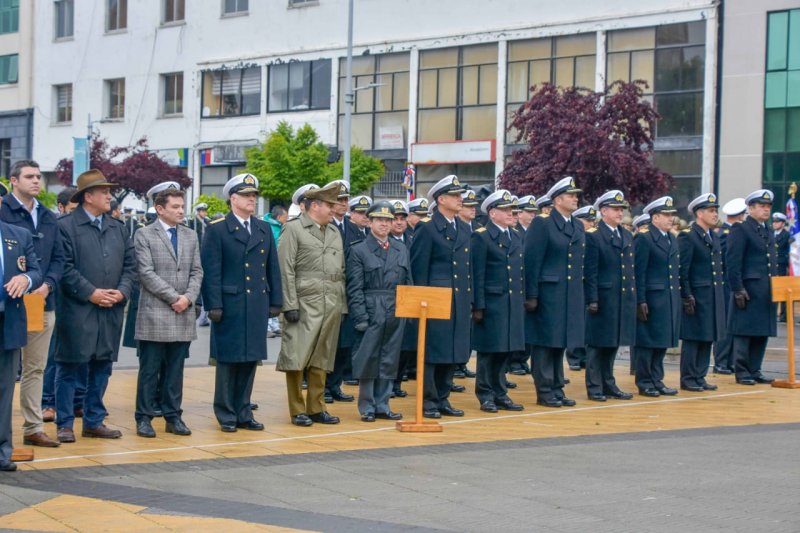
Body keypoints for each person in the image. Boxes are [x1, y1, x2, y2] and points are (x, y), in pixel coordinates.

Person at [55, 170, 136, 443]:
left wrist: (122, 292)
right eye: (104, 192)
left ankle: (93, 420)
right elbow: (63, 268)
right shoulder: (66, 226)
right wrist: (90, 293)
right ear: (88, 197)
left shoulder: (118, 228)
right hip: (78, 310)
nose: (109, 196)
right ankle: (64, 423)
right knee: (70, 367)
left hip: (110, 310)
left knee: (102, 367)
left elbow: (130, 266)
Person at [201, 173, 282, 432]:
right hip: (230, 303)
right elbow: (211, 269)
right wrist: (213, 303)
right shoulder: (218, 229)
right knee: (228, 361)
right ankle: (226, 413)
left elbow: (273, 267)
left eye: (254, 195)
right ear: (232, 199)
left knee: (250, 359)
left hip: (257, 301)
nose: (252, 200)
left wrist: (276, 300)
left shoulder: (263, 228)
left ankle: (244, 411)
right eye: (247, 196)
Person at [0, 161, 63, 448]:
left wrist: (47, 284)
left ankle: (33, 426)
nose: (36, 181)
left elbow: (60, 258)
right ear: (14, 180)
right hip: (8, 302)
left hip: (39, 300)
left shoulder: (48, 217)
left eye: (39, 176)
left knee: (35, 366)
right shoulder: (3, 210)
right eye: (29, 176)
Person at [133, 182, 203, 438]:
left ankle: (173, 416)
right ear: (159, 209)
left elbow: (197, 270)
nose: (181, 211)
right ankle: (144, 417)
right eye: (175, 207)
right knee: (150, 370)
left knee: (176, 370)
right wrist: (175, 297)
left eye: (182, 206)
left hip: (182, 311)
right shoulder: (144, 235)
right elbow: (146, 273)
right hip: (156, 312)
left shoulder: (190, 234)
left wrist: (188, 298)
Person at [276, 182, 346, 426]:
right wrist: (289, 305)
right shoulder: (293, 230)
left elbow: (341, 272)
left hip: (330, 304)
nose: (334, 209)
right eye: (329, 205)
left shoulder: (334, 232)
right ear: (314, 206)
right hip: (304, 304)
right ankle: (297, 409)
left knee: (322, 358)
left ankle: (317, 407)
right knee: (297, 357)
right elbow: (284, 270)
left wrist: (342, 305)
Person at [410, 175, 471, 419]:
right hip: (434, 298)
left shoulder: (464, 228)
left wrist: (471, 300)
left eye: (460, 195)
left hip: (459, 299)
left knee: (453, 351)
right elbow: (418, 267)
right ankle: (429, 401)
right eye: (455, 196)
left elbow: (468, 268)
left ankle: (443, 397)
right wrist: (419, 301)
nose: (460, 199)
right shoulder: (427, 227)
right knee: (433, 352)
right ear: (441, 199)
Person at [347, 201, 411, 422]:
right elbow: (354, 287)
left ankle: (383, 404)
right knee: (369, 358)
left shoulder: (400, 248)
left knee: (389, 358)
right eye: (379, 220)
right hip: (372, 308)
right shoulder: (359, 249)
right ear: (370, 222)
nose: (384, 224)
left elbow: (408, 282)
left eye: (388, 220)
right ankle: (367, 406)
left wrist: (408, 311)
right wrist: (361, 317)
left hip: (395, 309)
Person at [524, 177, 585, 407]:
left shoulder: (577, 225)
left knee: (560, 342)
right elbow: (532, 261)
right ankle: (545, 389)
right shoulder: (543, 224)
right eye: (571, 195)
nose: (575, 199)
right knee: (544, 343)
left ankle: (558, 387)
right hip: (548, 293)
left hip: (569, 293)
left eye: (576, 195)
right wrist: (531, 295)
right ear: (558, 200)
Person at [0, 180, 43, 471]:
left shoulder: (17, 235)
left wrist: (25, 279)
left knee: (4, 390)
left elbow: (37, 270)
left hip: (8, 322)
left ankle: (3, 449)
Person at [471, 190, 525, 413]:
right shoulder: (482, 236)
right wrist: (479, 305)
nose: (510, 213)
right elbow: (477, 273)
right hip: (492, 302)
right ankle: (485, 394)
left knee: (505, 350)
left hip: (511, 302)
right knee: (489, 351)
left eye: (511, 209)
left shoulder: (516, 235)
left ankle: (500, 392)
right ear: (492, 213)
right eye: (504, 209)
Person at [583, 190, 635, 402]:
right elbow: (591, 271)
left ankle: (608, 383)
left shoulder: (626, 234)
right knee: (597, 345)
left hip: (620, 297)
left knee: (612, 343)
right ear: (603, 211)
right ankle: (595, 386)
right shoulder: (594, 236)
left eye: (621, 209)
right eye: (615, 209)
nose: (619, 212)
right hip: (603, 297)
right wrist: (592, 299)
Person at [727, 190, 778, 386]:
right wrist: (737, 288)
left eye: (768, 206)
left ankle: (755, 369)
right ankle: (742, 371)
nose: (766, 209)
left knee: (761, 331)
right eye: (761, 206)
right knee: (745, 332)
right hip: (748, 289)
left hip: (766, 290)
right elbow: (733, 262)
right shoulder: (741, 229)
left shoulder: (767, 230)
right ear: (750, 208)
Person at [633, 196, 681, 397]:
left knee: (661, 341)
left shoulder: (671, 238)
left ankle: (657, 379)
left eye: (672, 215)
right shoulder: (644, 238)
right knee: (648, 342)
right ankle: (645, 381)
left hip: (668, 297)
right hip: (652, 298)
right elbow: (639, 272)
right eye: (666, 215)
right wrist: (641, 300)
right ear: (655, 217)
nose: (671, 219)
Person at [678, 193, 726, 393]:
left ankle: (700, 375)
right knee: (693, 337)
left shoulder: (712, 236)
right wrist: (686, 295)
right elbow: (683, 269)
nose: (715, 214)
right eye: (711, 211)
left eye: (716, 210)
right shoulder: (688, 235)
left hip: (711, 295)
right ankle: (689, 377)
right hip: (696, 295)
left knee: (707, 335)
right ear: (699, 213)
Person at [42, 186, 80, 424]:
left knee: (80, 355)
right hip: (57, 299)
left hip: (79, 301)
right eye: (73, 209)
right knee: (53, 356)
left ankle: (77, 402)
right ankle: (48, 402)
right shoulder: (54, 228)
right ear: (62, 207)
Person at [325, 179, 362, 403]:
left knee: (345, 343)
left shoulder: (352, 228)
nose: (344, 204)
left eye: (346, 199)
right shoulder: (325, 225)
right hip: (330, 291)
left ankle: (336, 384)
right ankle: (325, 387)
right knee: (328, 343)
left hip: (350, 292)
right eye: (339, 200)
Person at [713, 198, 746, 374]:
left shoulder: (729, 231)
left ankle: (730, 362)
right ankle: (721, 362)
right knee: (725, 323)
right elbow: (724, 260)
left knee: (732, 323)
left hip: (729, 283)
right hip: (725, 283)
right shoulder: (726, 233)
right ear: (740, 215)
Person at [264, 205, 288, 337]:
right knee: (269, 295)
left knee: (276, 295)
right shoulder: (269, 227)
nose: (288, 219)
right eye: (286, 216)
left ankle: (274, 325)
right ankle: (267, 326)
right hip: (270, 265)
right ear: (279, 217)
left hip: (278, 264)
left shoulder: (281, 227)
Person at [773, 212, 791, 322]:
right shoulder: (770, 233)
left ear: (783, 223)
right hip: (772, 265)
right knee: (772, 289)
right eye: (774, 222)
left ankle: (784, 314)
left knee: (783, 290)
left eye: (777, 222)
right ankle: (772, 312)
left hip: (782, 264)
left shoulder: (787, 235)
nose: (775, 224)